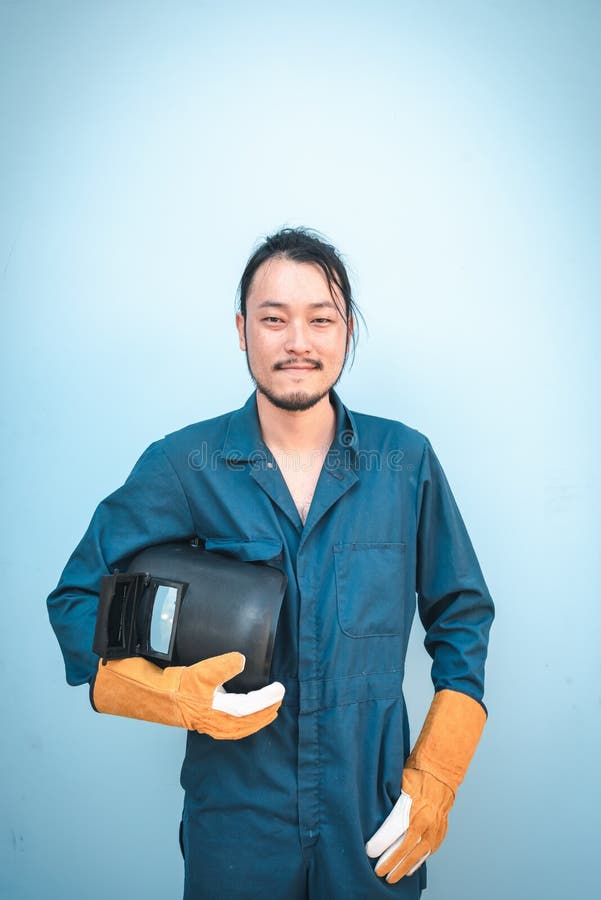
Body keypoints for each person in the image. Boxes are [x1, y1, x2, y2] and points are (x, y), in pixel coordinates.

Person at [47, 226, 494, 899]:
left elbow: (462, 613)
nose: (297, 342)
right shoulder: (183, 466)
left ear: (346, 329)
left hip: (368, 812)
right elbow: (74, 601)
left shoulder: (403, 463)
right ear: (241, 329)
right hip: (235, 821)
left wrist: (436, 776)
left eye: (320, 319)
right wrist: (168, 695)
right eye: (273, 319)